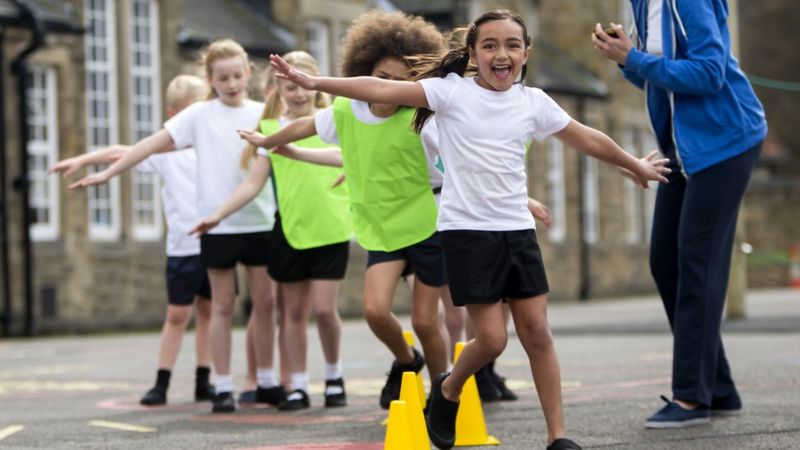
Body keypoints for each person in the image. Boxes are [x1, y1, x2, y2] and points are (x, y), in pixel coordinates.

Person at [265, 8, 671, 449]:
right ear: (473, 54)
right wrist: (315, 82)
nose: (502, 54)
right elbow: (380, 87)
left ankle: (558, 436)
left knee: (537, 331)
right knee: (492, 340)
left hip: (516, 229)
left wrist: (633, 164)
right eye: (490, 45)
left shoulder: (533, 102)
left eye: (512, 45)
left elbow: (587, 136)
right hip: (467, 232)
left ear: (526, 52)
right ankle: (449, 387)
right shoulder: (449, 93)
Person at [238, 10, 451, 411]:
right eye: (381, 79)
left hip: (426, 224)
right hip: (382, 227)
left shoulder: (424, 122)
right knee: (374, 311)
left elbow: (456, 170)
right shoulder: (346, 112)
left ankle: (442, 395)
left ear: (417, 86)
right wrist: (268, 142)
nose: (388, 90)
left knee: (425, 322)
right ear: (362, 73)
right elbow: (305, 128)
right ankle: (407, 361)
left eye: (402, 83)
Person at [70, 39, 283, 414]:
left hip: (259, 222)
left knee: (264, 304)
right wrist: (108, 173)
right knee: (221, 306)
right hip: (214, 226)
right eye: (223, 78)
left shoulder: (262, 113)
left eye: (237, 75)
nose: (231, 84)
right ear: (210, 79)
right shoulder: (198, 115)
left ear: (248, 74)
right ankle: (221, 385)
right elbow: (150, 144)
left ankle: (266, 380)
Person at [592, 0, 766, 429]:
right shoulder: (641, 3)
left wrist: (634, 58)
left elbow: (710, 73)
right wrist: (626, 60)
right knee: (665, 261)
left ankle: (691, 398)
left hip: (725, 142)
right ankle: (718, 388)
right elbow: (660, 78)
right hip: (683, 149)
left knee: (696, 262)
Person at [191, 51, 352, 411]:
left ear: (313, 85)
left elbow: (357, 159)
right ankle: (296, 384)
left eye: (300, 85)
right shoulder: (270, 132)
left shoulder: (334, 122)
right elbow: (252, 184)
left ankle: (334, 376)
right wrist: (217, 215)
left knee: (325, 310)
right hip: (290, 230)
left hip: (331, 228)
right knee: (292, 313)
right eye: (287, 87)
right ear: (276, 89)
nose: (296, 94)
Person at [50, 75, 215, 406]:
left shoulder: (213, 148)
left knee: (211, 314)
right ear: (172, 115)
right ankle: (162, 382)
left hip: (215, 244)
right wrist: (83, 160)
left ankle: (204, 379)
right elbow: (119, 153)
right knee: (177, 315)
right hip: (182, 249)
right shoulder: (165, 153)